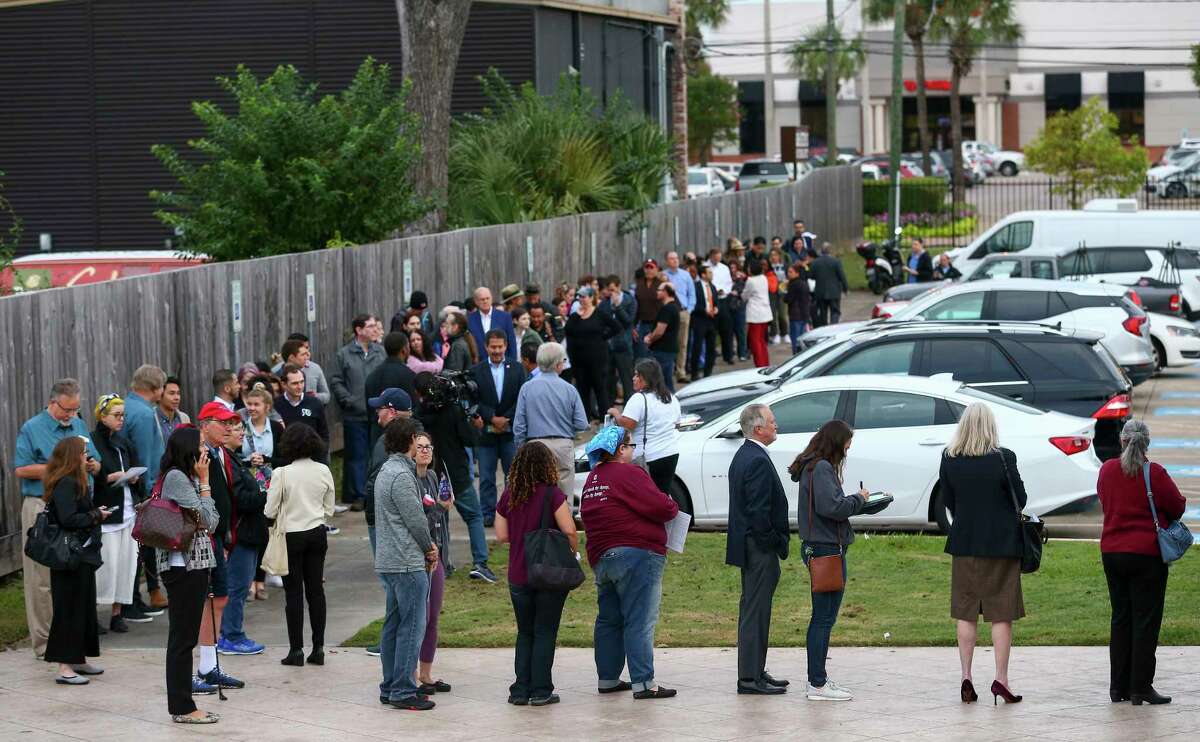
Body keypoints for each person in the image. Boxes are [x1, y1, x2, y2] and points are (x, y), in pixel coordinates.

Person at [937, 403, 1027, 705]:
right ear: (991, 426)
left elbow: (948, 500)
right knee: (1001, 612)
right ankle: (1001, 679)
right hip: (1002, 544)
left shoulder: (949, 458)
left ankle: (966, 676)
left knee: (966, 611)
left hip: (964, 543)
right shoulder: (1004, 458)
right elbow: (1021, 499)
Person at [580, 425, 679, 699]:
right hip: (637, 555)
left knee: (609, 619)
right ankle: (644, 683)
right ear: (620, 449)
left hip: (602, 557)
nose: (634, 451)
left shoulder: (593, 478)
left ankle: (608, 679)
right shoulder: (629, 473)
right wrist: (669, 503)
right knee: (639, 620)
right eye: (631, 446)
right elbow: (663, 507)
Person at [1099, 420, 1187, 706]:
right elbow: (1177, 506)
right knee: (1145, 621)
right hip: (1147, 554)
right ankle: (1140, 687)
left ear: (1122, 440)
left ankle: (1118, 686)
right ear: (1146, 443)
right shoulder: (1155, 473)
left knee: (1120, 617)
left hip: (1112, 551)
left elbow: (1105, 500)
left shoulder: (1108, 470)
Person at [15, 378, 99, 659]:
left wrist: (92, 464)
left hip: (76, 507)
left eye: (75, 410)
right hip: (43, 506)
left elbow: (96, 461)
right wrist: (63, 467)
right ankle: (44, 643)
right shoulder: (32, 428)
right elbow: (22, 469)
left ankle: (71, 642)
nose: (71, 416)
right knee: (41, 579)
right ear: (53, 403)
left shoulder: (78, 425)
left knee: (74, 576)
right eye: (67, 410)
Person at [789, 419, 868, 702]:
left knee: (824, 617)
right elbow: (831, 507)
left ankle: (818, 681)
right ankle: (818, 684)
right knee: (823, 618)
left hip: (822, 548)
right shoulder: (820, 468)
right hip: (826, 551)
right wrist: (859, 500)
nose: (848, 449)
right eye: (847, 443)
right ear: (837, 442)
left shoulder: (813, 466)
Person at [495, 442, 579, 706]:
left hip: (518, 574)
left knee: (525, 632)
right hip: (548, 573)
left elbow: (502, 536)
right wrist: (572, 553)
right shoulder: (552, 495)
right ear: (548, 465)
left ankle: (520, 689)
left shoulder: (508, 496)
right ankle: (541, 689)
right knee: (545, 631)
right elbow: (570, 531)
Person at [155, 426, 221, 724]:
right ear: (188, 450)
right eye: (202, 446)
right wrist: (206, 483)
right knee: (182, 639)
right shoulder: (178, 478)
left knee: (183, 637)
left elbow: (211, 521)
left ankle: (182, 703)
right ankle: (182, 706)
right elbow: (207, 519)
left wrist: (203, 487)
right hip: (182, 568)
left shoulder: (184, 478)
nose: (205, 451)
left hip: (191, 566)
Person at [374, 418, 438, 711]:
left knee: (395, 623)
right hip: (406, 561)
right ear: (411, 439)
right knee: (412, 626)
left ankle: (390, 685)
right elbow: (415, 519)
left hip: (391, 560)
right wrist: (429, 548)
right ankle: (402, 689)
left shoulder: (387, 470)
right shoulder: (400, 475)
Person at [727, 404, 790, 695]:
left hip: (753, 546)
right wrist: (776, 542)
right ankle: (749, 679)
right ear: (757, 428)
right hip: (758, 548)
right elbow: (758, 513)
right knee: (755, 611)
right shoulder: (755, 460)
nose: (776, 425)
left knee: (757, 610)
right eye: (772, 421)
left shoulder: (748, 455)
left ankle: (756, 671)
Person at [265, 424, 335, 667]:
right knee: (316, 591)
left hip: (291, 535)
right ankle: (319, 647)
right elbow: (329, 508)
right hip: (317, 532)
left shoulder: (281, 473)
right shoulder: (323, 470)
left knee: (293, 593)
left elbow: (270, 509)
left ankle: (296, 649)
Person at [414, 371, 493, 582]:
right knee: (474, 516)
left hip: (431, 475)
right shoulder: (453, 410)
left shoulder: (419, 415)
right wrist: (475, 425)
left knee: (440, 519)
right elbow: (470, 439)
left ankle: (443, 563)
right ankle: (480, 563)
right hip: (456, 473)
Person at [42, 436, 106, 685]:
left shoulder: (75, 482)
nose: (86, 457)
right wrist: (95, 515)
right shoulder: (65, 483)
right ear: (72, 456)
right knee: (69, 608)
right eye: (83, 452)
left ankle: (78, 658)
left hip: (81, 555)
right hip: (68, 555)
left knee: (84, 606)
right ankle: (64, 666)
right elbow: (68, 519)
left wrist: (94, 513)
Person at [195, 402, 245, 692]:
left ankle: (209, 664)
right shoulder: (199, 454)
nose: (227, 428)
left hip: (219, 535)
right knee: (206, 599)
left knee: (219, 598)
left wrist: (225, 535)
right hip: (204, 536)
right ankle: (203, 665)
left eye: (230, 423)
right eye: (222, 423)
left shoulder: (221, 453)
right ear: (205, 424)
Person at [91, 394, 149, 633]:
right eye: (116, 415)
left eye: (123, 415)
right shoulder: (94, 442)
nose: (121, 419)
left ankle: (117, 613)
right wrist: (108, 477)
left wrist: (134, 479)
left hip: (127, 512)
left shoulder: (124, 443)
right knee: (105, 568)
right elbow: (93, 477)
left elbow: (138, 472)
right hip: (107, 514)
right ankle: (92, 614)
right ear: (102, 416)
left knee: (126, 566)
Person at [216, 418, 269, 656]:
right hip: (241, 533)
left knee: (240, 585)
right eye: (238, 430)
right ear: (225, 435)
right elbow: (239, 499)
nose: (242, 434)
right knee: (237, 587)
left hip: (249, 532)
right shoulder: (227, 462)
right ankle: (231, 636)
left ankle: (232, 633)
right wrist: (265, 494)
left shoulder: (235, 460)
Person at [513, 343, 589, 500]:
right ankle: (563, 523)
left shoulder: (527, 388)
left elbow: (519, 426)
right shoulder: (569, 389)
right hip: (563, 444)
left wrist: (521, 448)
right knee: (564, 495)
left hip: (535, 445)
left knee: (537, 495)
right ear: (558, 364)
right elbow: (582, 423)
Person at [412, 431, 454, 695]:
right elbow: (418, 523)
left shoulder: (433, 477)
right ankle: (412, 675)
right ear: (411, 450)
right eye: (420, 447)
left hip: (437, 556)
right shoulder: (409, 481)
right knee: (419, 617)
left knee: (433, 616)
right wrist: (440, 507)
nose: (425, 451)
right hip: (418, 557)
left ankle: (426, 673)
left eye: (429, 446)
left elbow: (439, 523)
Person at [471, 329, 528, 527]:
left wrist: (507, 418)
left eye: (500, 347)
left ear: (506, 346)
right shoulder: (476, 371)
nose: (496, 351)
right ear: (486, 347)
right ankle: (487, 514)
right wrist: (491, 417)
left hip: (510, 431)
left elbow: (522, 396)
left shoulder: (518, 369)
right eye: (493, 347)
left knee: (512, 475)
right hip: (486, 432)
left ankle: (513, 511)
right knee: (486, 477)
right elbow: (473, 399)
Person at [331, 314, 386, 512]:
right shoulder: (344, 354)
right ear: (359, 330)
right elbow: (336, 380)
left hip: (377, 413)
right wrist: (348, 400)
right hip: (354, 413)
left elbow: (385, 376)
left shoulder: (380, 352)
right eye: (370, 326)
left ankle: (377, 493)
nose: (374, 329)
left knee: (377, 453)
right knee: (357, 456)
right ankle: (360, 495)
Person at [606, 360, 680, 496]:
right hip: (671, 453)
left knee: (644, 497)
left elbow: (628, 425)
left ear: (646, 378)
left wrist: (616, 414)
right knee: (663, 494)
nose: (633, 379)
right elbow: (676, 424)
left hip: (648, 457)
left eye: (637, 375)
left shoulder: (639, 399)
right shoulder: (671, 398)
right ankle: (666, 517)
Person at [237, 386, 283, 603]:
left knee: (266, 532)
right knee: (249, 532)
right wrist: (248, 461)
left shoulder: (275, 428)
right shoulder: (241, 428)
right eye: (249, 404)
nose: (252, 408)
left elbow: (284, 457)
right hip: (247, 486)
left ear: (267, 407)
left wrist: (266, 461)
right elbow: (233, 455)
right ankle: (248, 582)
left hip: (270, 486)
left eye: (257, 405)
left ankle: (261, 580)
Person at [565, 286, 621, 422]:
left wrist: (603, 336)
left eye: (584, 297)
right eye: (580, 297)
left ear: (591, 298)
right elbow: (568, 332)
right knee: (583, 390)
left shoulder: (599, 314)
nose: (581, 299)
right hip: (579, 360)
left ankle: (604, 420)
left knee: (600, 389)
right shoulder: (574, 316)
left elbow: (616, 327)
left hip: (598, 359)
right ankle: (585, 420)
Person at [365, 331, 417, 448]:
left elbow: (369, 411)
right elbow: (414, 409)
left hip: (376, 435)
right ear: (404, 349)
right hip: (401, 438)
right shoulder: (409, 376)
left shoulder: (372, 375)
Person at [274, 364, 330, 453]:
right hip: (286, 461)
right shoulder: (275, 405)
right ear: (284, 384)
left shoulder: (315, 403)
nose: (300, 386)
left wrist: (321, 455)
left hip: (312, 459)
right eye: (295, 383)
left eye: (302, 382)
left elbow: (324, 434)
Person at [601, 275, 637, 404]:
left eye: (613, 289)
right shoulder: (604, 303)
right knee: (609, 382)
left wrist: (617, 306)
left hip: (623, 346)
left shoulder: (629, 301)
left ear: (619, 287)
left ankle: (629, 411)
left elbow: (628, 321)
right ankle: (609, 412)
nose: (611, 293)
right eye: (608, 290)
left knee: (627, 381)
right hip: (608, 347)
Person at [663, 252, 696, 385]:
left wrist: (689, 309)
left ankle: (681, 371)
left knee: (683, 343)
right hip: (669, 312)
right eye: (671, 258)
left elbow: (691, 294)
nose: (675, 261)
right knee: (669, 342)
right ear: (667, 261)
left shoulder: (685, 275)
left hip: (683, 311)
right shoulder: (663, 275)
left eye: (676, 258)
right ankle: (668, 370)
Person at [642, 282, 681, 391]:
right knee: (665, 380)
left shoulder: (667, 309)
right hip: (668, 349)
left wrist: (649, 339)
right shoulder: (673, 307)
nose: (657, 292)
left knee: (662, 381)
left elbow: (660, 331)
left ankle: (670, 403)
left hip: (663, 350)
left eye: (659, 290)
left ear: (665, 292)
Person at [272, 336, 332, 404]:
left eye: (301, 382)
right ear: (291, 357)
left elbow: (326, 396)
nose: (306, 358)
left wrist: (313, 396)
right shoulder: (275, 374)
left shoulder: (306, 372)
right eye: (303, 355)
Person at [466, 286, 518, 361]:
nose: (485, 301)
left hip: (502, 362)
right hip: (479, 365)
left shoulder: (505, 317)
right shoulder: (470, 319)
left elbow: (511, 342)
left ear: (491, 299)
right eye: (482, 299)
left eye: (488, 298)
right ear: (476, 301)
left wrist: (512, 364)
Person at [705, 248, 735, 364]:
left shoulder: (724, 268)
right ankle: (711, 356)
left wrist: (725, 291)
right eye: (715, 257)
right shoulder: (705, 267)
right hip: (710, 300)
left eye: (719, 258)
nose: (717, 260)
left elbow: (729, 283)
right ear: (711, 256)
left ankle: (728, 355)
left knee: (727, 329)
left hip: (723, 300)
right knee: (712, 330)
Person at [690, 264, 719, 380]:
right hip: (700, 320)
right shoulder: (696, 286)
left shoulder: (712, 286)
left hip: (711, 321)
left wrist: (716, 308)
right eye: (709, 273)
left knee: (711, 348)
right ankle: (694, 373)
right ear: (703, 274)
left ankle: (708, 373)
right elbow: (693, 303)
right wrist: (704, 310)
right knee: (697, 347)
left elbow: (716, 301)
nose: (711, 275)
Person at [810, 243, 849, 328]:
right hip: (834, 291)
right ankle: (833, 327)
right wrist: (846, 289)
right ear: (830, 251)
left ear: (821, 251)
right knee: (835, 312)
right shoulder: (836, 261)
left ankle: (825, 328)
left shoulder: (815, 262)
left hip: (820, 291)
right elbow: (841, 276)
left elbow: (811, 276)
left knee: (823, 313)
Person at [743, 259, 772, 368]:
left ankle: (759, 364)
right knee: (762, 340)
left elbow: (745, 295)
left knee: (755, 341)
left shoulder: (750, 281)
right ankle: (765, 363)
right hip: (765, 313)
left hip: (755, 313)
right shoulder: (764, 278)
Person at [633, 259, 662, 359]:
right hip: (643, 323)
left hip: (658, 323)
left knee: (656, 353)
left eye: (651, 267)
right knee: (642, 353)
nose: (649, 270)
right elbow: (636, 306)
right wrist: (633, 326)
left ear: (656, 269)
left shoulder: (661, 284)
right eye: (647, 267)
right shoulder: (639, 284)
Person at [785, 260, 813, 354]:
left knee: (795, 339)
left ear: (797, 273)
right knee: (803, 339)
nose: (788, 274)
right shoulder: (803, 283)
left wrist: (784, 292)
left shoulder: (793, 284)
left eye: (790, 272)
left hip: (795, 315)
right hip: (804, 314)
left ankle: (795, 357)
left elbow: (788, 299)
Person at [157, 375, 192, 441]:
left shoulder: (184, 418)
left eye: (178, 393)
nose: (177, 398)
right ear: (160, 395)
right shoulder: (153, 418)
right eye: (172, 393)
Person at [767, 247, 788, 344]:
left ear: (779, 256)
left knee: (782, 314)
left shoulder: (785, 266)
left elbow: (789, 277)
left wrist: (786, 282)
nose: (773, 257)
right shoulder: (768, 267)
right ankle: (775, 334)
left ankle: (785, 333)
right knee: (772, 314)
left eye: (775, 255)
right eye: (771, 255)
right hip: (771, 293)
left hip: (782, 292)